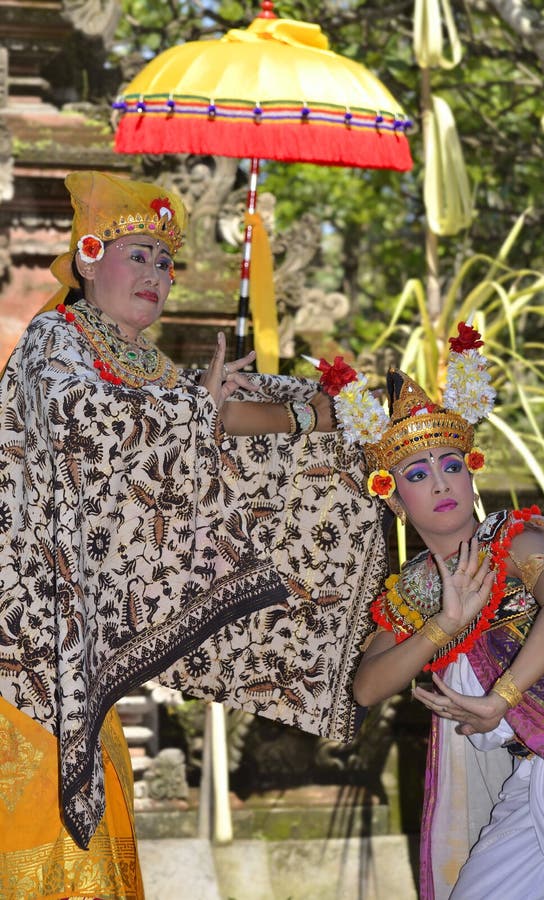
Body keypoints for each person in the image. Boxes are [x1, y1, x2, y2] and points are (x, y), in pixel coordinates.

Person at [0, 171, 387, 898]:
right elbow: (91, 425)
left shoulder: (142, 359)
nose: (157, 274)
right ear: (87, 258)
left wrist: (340, 413)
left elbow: (230, 423)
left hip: (79, 662)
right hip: (20, 654)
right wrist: (193, 412)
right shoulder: (54, 342)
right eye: (139, 253)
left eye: (166, 261)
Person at [341, 323, 544, 899]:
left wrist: (498, 698)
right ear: (392, 494)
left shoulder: (510, 539)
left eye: (450, 465)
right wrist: (444, 626)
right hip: (532, 777)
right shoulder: (411, 593)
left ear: (471, 469)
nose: (440, 483)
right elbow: (367, 687)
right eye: (417, 474)